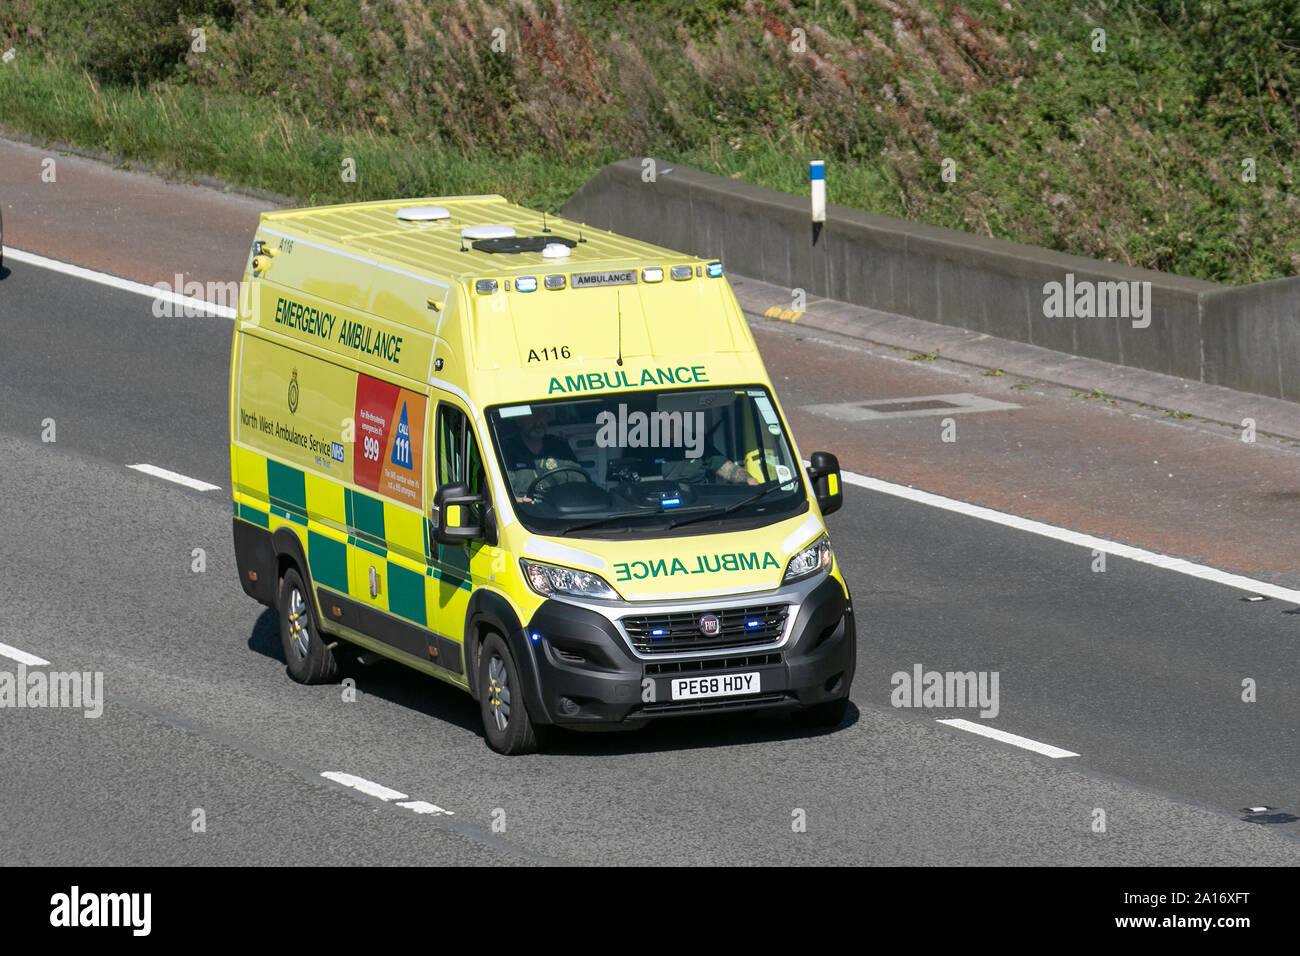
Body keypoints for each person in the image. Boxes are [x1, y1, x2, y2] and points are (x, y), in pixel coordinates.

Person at [501, 407, 581, 502]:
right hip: (522, 512)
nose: (538, 422)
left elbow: (580, 481)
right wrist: (517, 500)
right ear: (519, 420)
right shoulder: (506, 449)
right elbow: (498, 492)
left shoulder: (558, 446)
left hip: (561, 509)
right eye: (532, 416)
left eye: (542, 415)